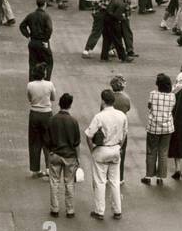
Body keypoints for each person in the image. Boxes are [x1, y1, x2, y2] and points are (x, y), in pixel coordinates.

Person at [86, 88, 128, 219]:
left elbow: (89, 135)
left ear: (103, 101)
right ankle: (117, 210)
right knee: (115, 181)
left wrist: (92, 149)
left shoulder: (99, 116)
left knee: (100, 181)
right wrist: (119, 147)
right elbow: (125, 133)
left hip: (101, 150)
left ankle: (99, 211)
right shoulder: (122, 115)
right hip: (115, 150)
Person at [45, 93, 81, 216]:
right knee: (69, 183)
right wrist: (78, 158)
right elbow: (76, 143)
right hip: (69, 156)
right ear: (70, 105)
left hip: (55, 154)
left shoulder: (52, 120)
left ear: (59, 104)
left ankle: (54, 209)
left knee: (54, 182)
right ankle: (70, 210)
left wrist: (51, 151)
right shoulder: (73, 121)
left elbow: (47, 140)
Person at [26, 64, 56, 176]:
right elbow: (53, 98)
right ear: (43, 73)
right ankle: (48, 167)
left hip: (34, 113)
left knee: (34, 141)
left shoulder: (30, 85)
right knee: (48, 141)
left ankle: (35, 169)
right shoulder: (49, 84)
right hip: (47, 113)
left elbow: (29, 98)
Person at [19, 0, 54, 81]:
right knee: (48, 62)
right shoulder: (46, 16)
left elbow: (22, 26)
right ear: (44, 4)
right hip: (43, 42)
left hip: (33, 42)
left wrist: (28, 36)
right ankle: (46, 81)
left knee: (33, 63)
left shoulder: (31, 15)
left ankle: (32, 81)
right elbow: (49, 29)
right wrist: (46, 40)